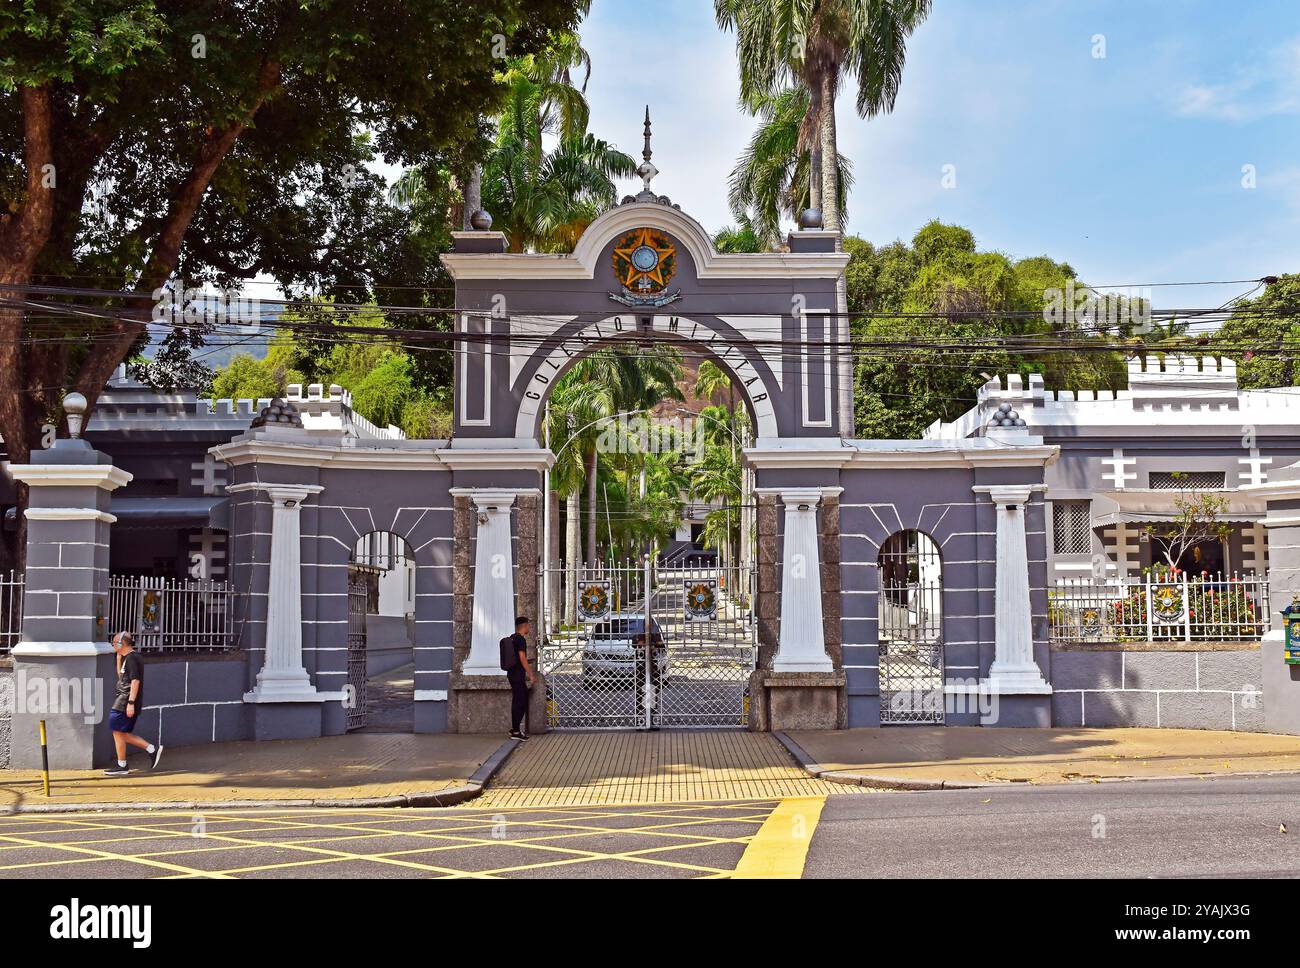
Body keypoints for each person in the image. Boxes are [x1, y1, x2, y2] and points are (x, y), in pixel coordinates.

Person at [103, 632, 163, 776]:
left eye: (114, 642)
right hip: (122, 699)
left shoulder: (133, 658)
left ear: (121, 644)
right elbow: (122, 677)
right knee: (119, 732)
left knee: (117, 730)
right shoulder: (126, 658)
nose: (112, 644)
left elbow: (135, 681)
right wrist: (118, 658)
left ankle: (150, 749)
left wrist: (131, 703)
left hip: (125, 701)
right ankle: (123, 764)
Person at [499, 615, 535, 740]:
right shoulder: (520, 640)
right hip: (518, 675)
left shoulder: (513, 638)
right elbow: (521, 657)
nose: (529, 627)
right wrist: (531, 674)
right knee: (521, 701)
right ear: (524, 626)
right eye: (528, 625)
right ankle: (515, 731)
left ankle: (514, 728)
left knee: (517, 700)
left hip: (511, 674)